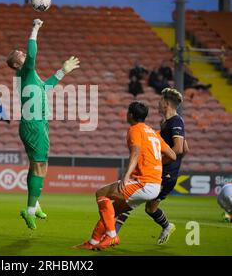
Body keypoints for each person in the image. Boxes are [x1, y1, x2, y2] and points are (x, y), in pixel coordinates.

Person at [6, 18, 80, 230]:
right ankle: (30, 211)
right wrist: (35, 28)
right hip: (34, 125)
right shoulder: (25, 71)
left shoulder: (30, 77)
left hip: (36, 124)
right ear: (16, 64)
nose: (23, 52)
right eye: (19, 54)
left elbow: (46, 87)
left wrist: (63, 70)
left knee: (39, 166)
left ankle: (34, 204)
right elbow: (32, 53)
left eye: (22, 51)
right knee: (40, 167)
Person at [73, 101, 176, 250]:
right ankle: (93, 242)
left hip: (143, 183)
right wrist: (156, 164)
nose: (126, 114)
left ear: (131, 115)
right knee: (112, 211)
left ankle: (111, 235)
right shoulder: (153, 132)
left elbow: (135, 152)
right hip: (153, 185)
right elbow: (172, 155)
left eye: (128, 112)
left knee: (101, 194)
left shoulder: (135, 129)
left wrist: (126, 175)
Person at [115, 88, 189, 245]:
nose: (158, 103)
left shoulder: (176, 121)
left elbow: (179, 149)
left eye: (161, 100)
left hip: (165, 174)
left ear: (167, 104)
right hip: (160, 173)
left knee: (128, 203)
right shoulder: (167, 123)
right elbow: (185, 148)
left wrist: (160, 163)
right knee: (150, 209)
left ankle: (110, 235)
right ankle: (167, 226)